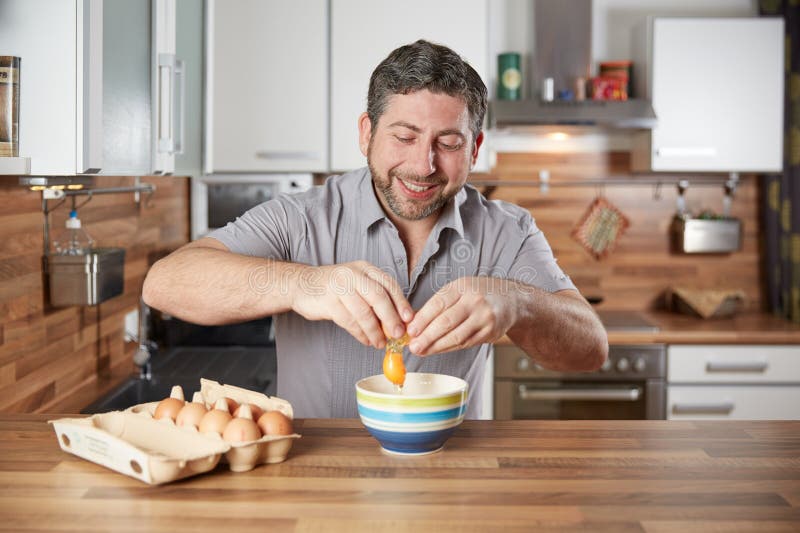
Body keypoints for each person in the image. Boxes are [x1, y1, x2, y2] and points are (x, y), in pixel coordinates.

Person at [143, 39, 608, 418]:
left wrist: (517, 303)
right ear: (367, 132)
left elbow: (591, 350)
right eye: (404, 137)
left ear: (475, 148)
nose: (423, 165)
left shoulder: (507, 231)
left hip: (450, 479)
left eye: (448, 143)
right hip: (316, 481)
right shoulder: (300, 218)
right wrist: (304, 284)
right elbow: (164, 284)